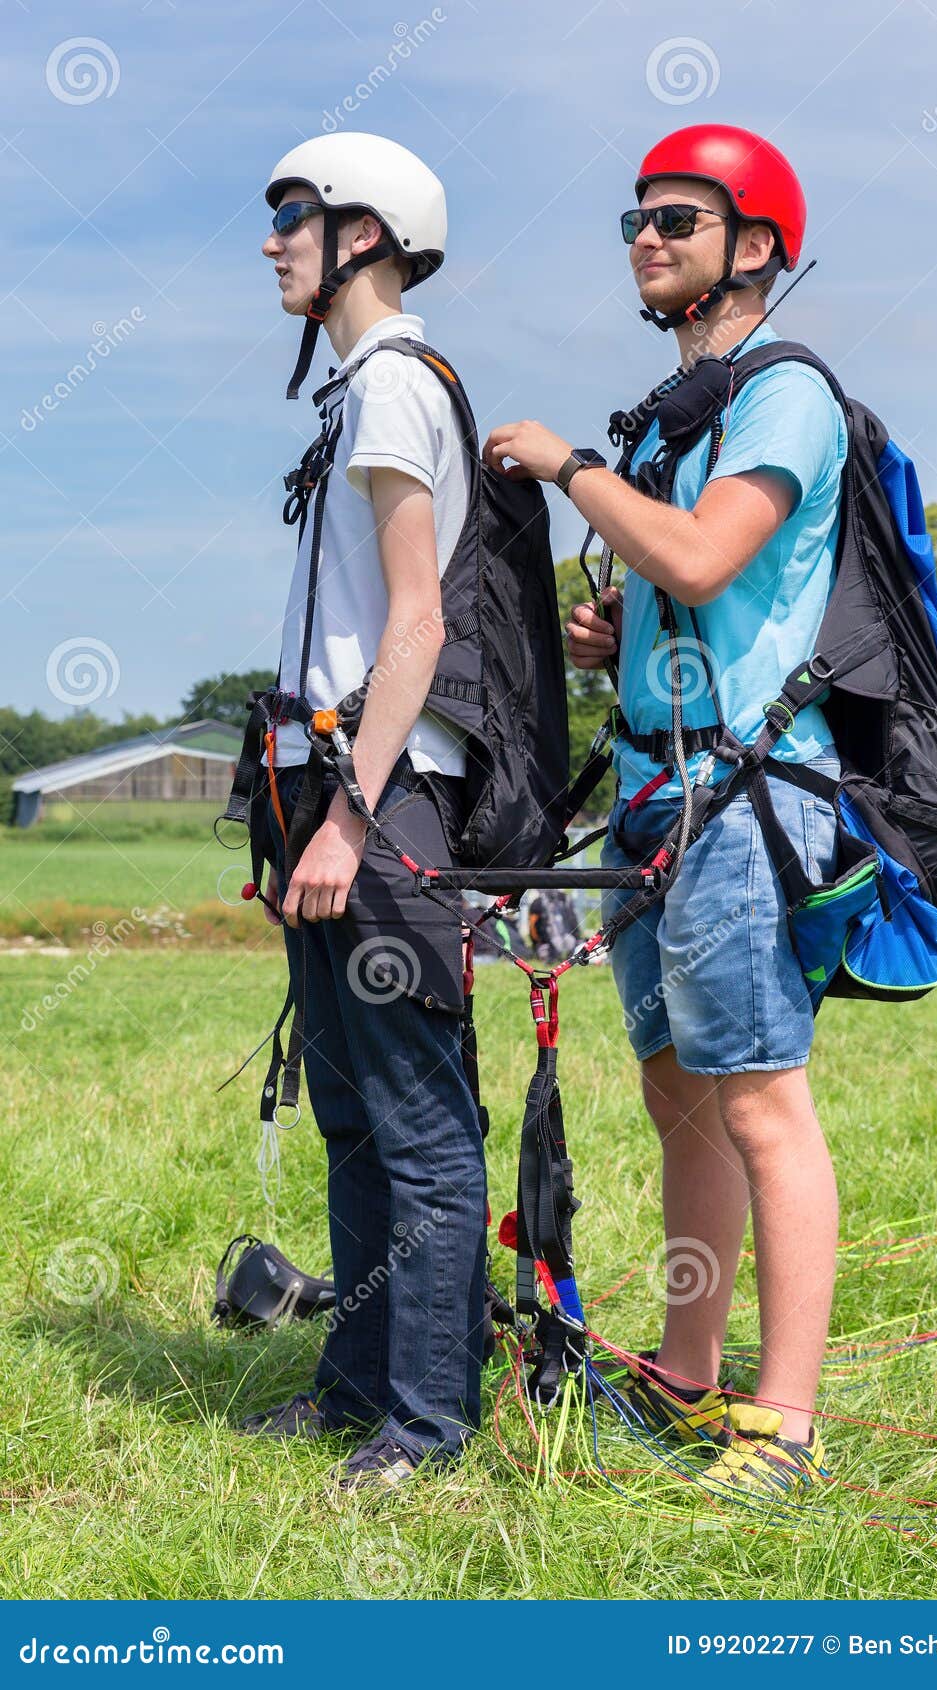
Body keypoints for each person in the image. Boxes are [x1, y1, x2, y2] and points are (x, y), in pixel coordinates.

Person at [482, 124, 846, 1497]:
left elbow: (705, 551)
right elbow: (683, 587)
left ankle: (784, 1427)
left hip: (741, 797)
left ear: (754, 247)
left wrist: (571, 467)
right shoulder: (672, 411)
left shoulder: (786, 396)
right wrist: (614, 634)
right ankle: (689, 1383)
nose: (644, 236)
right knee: (677, 1097)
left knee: (760, 1104)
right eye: (635, 218)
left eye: (677, 219)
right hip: (650, 792)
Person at [239, 133, 487, 1495]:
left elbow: (418, 617)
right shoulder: (349, 396)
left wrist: (346, 819)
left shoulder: (392, 387)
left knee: (421, 1127)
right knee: (349, 1110)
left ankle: (428, 1432)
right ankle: (356, 1392)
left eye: (293, 215)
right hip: (335, 803)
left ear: (364, 236)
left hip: (380, 812)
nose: (272, 240)